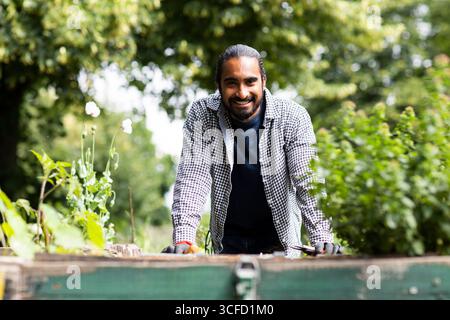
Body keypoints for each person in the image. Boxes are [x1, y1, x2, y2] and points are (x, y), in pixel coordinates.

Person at [164, 44, 340, 257]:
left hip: (282, 245)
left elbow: (308, 181)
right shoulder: (203, 114)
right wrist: (184, 237)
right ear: (218, 85)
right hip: (227, 244)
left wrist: (322, 238)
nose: (241, 93)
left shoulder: (293, 117)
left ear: (263, 82)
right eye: (231, 83)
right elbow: (193, 177)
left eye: (250, 82)